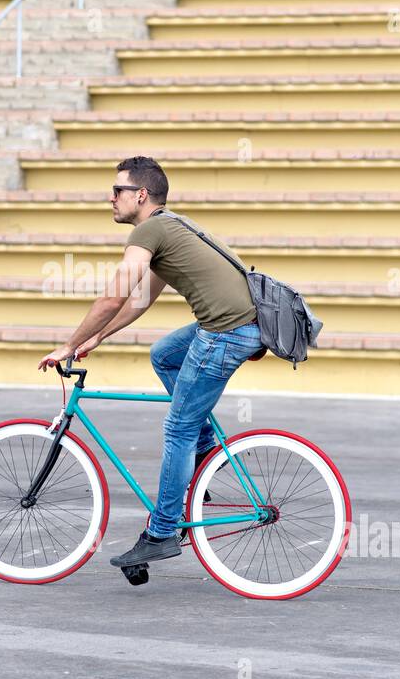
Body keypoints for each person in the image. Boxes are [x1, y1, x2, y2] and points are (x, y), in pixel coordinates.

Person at [37, 155, 265, 569]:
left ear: (141, 195)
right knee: (163, 355)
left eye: (117, 190)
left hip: (227, 331)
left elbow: (113, 296)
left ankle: (161, 532)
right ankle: (203, 460)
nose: (110, 198)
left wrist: (68, 345)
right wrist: (96, 338)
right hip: (235, 325)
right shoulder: (168, 228)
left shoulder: (150, 231)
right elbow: (139, 301)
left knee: (177, 426)